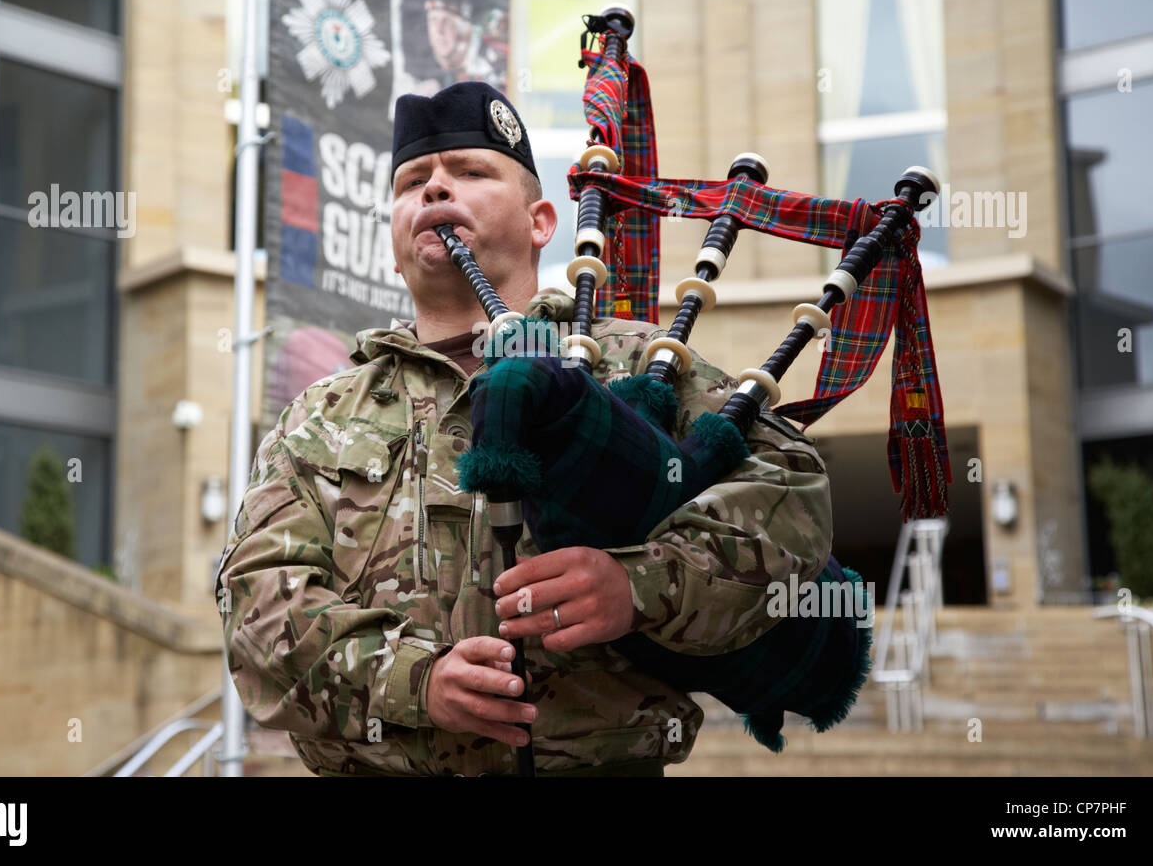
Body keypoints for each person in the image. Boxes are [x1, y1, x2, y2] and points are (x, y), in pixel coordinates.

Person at [216, 81, 833, 776]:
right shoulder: (321, 417)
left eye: (471, 172)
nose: (435, 188)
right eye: (413, 182)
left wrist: (636, 586)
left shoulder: (636, 363)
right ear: (392, 245)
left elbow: (793, 498)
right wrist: (415, 681)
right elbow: (255, 602)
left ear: (541, 223)